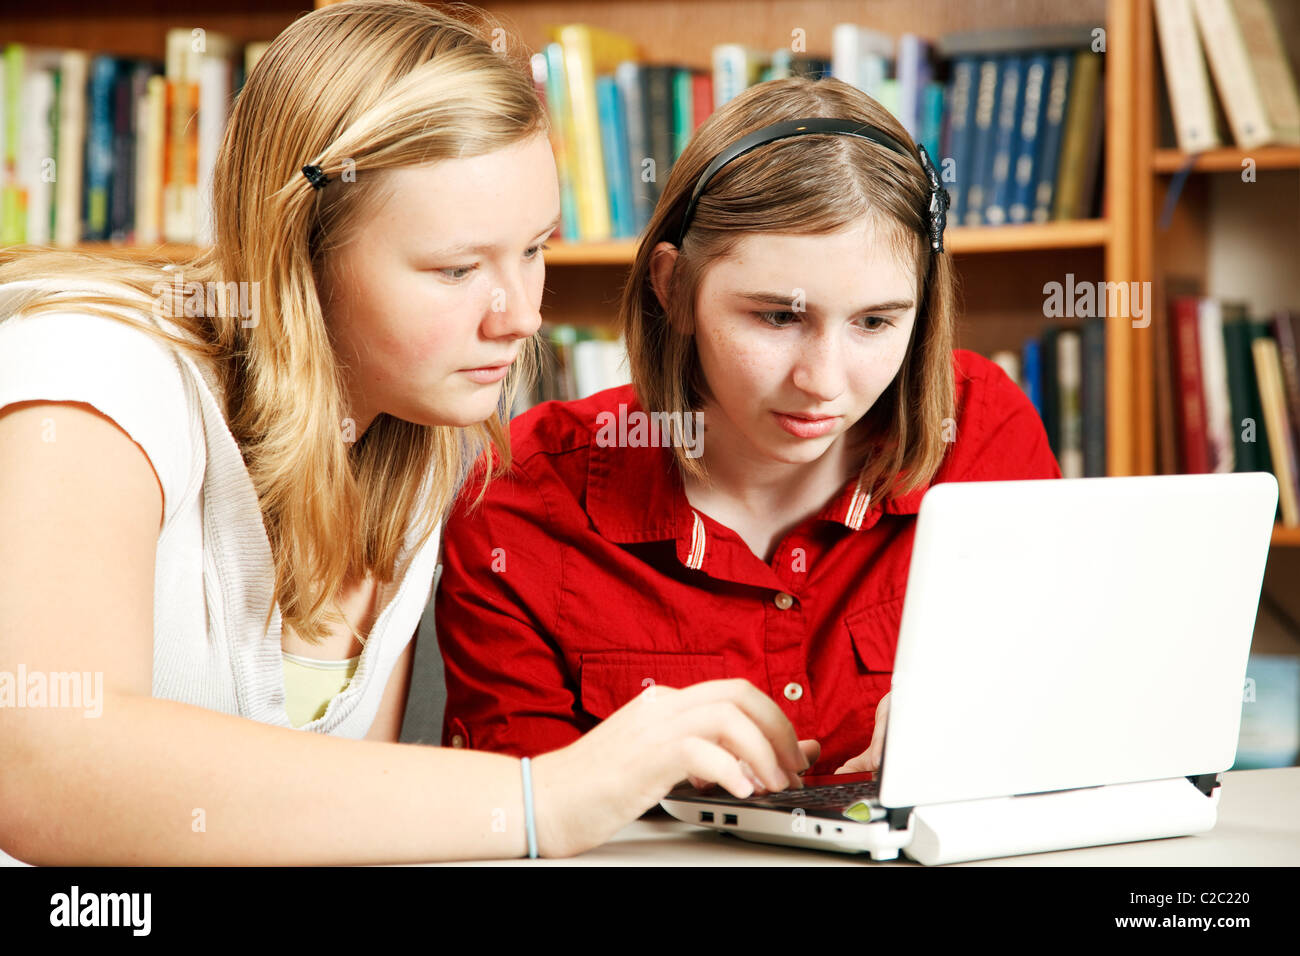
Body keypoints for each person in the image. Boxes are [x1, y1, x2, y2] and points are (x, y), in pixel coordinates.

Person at [0, 0, 811, 866]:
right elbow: (38, 765)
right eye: (457, 269)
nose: (522, 316)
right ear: (302, 252)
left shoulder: (420, 443)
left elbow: (345, 821)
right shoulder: (91, 374)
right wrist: (545, 799)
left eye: (533, 248)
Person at [434, 75, 1063, 779]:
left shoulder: (980, 429)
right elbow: (517, 819)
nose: (823, 381)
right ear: (674, 288)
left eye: (876, 322)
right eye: (779, 317)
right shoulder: (521, 496)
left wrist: (995, 743)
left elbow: (1066, 695)